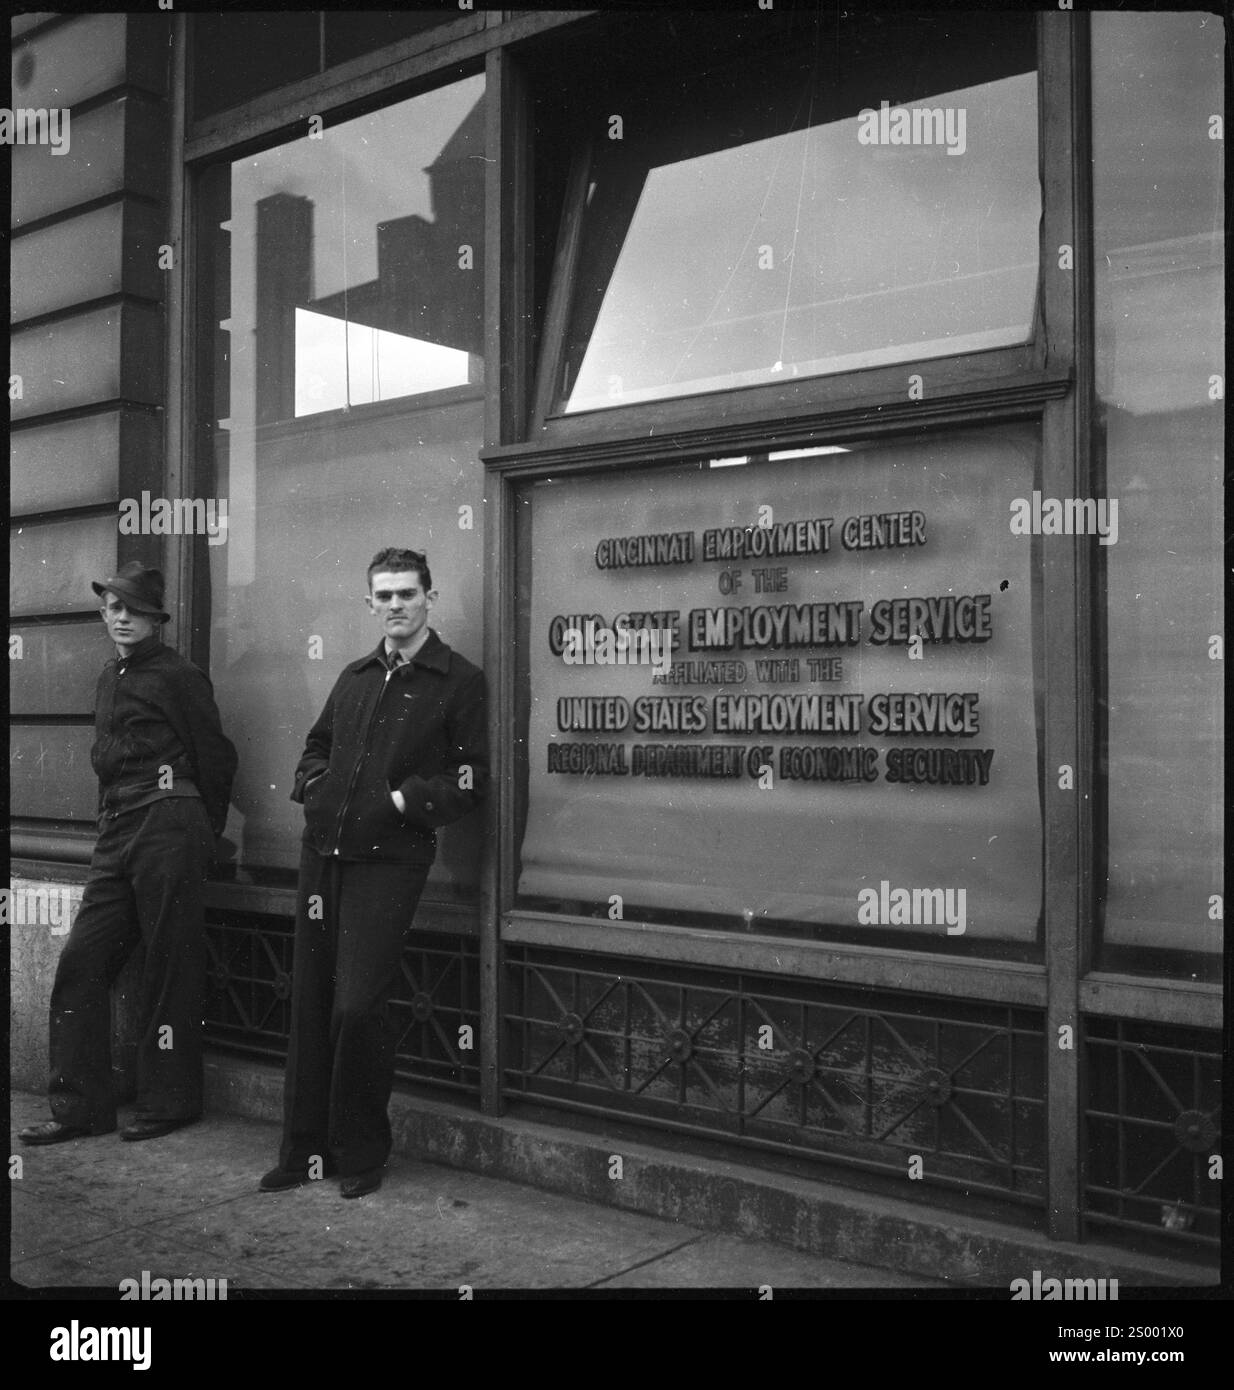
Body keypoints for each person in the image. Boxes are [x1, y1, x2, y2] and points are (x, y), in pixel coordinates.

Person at [260, 548, 487, 1198]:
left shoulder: (458, 681)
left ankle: (359, 1153)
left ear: (429, 598)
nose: (395, 606)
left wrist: (399, 802)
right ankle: (303, 1152)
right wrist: (316, 787)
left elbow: (471, 779)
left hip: (390, 864)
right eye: (383, 596)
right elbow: (316, 745)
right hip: (322, 856)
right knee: (311, 1003)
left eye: (406, 594)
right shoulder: (357, 675)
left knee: (358, 1005)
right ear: (369, 604)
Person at [19, 562, 238, 1146]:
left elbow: (215, 757)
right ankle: (80, 1108)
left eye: (134, 609)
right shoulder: (108, 676)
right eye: (113, 607)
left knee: (170, 964)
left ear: (155, 619)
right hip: (119, 831)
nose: (121, 617)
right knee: (81, 965)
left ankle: (170, 1102)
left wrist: (198, 827)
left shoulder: (179, 676)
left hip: (169, 823)